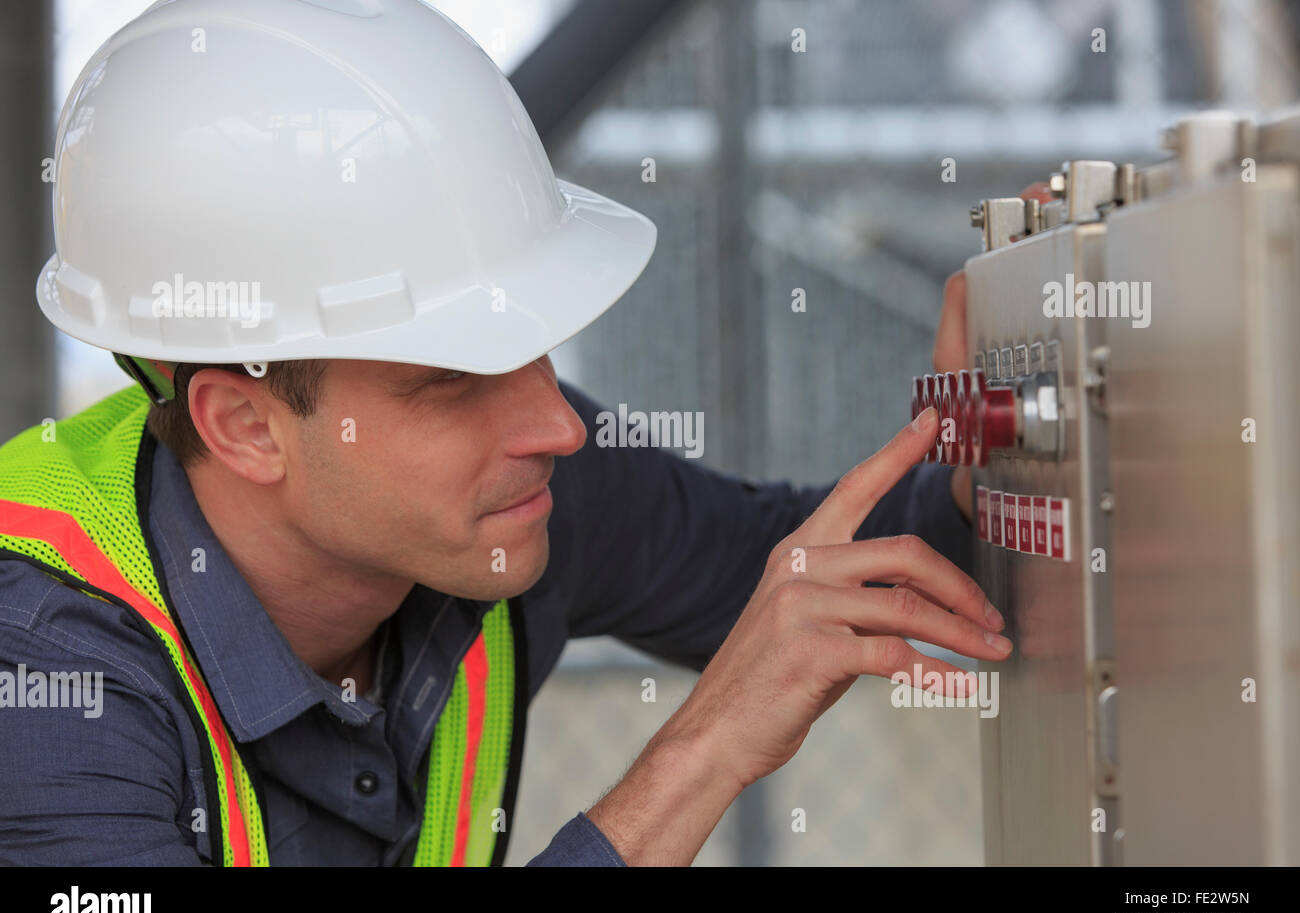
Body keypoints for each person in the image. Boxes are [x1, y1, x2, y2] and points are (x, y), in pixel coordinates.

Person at [0, 0, 1009, 866]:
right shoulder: (42, 685)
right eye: (451, 378)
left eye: (531, 342)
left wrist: (981, 469)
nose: (557, 422)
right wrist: (700, 753)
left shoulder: (522, 488)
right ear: (245, 425)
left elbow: (817, 569)